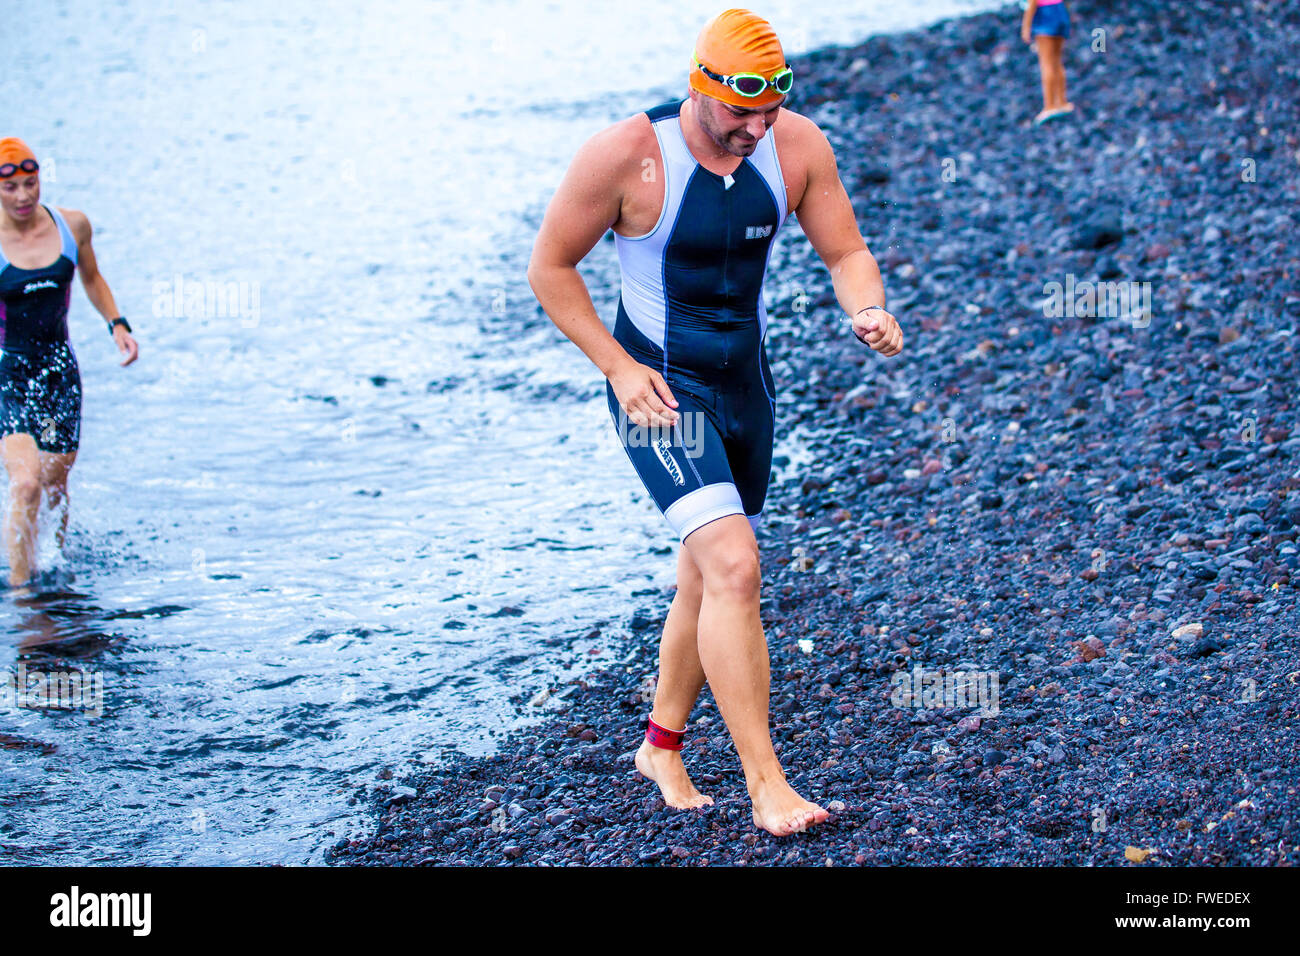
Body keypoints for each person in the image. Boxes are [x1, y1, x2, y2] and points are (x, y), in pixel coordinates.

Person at [527, 9, 902, 836]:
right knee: (734, 565)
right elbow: (550, 270)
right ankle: (767, 785)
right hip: (657, 393)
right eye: (739, 112)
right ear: (700, 85)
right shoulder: (627, 155)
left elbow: (846, 252)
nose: (754, 129)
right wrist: (620, 369)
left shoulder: (797, 145)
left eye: (767, 112)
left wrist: (867, 308)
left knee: (704, 575)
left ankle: (660, 746)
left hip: (747, 393)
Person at [0, 137, 139, 588]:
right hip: (8, 373)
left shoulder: (71, 226)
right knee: (25, 483)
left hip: (59, 371)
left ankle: (53, 572)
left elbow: (93, 279)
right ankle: (23, 593)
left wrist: (117, 324)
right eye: (10, 188)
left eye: (30, 183)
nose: (23, 196)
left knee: (55, 485)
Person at [1022, 0, 1074, 125]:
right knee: (1057, 61)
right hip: (1060, 11)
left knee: (1046, 64)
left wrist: (1026, 27)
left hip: (1045, 15)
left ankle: (1049, 106)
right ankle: (1062, 102)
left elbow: (1032, 3)